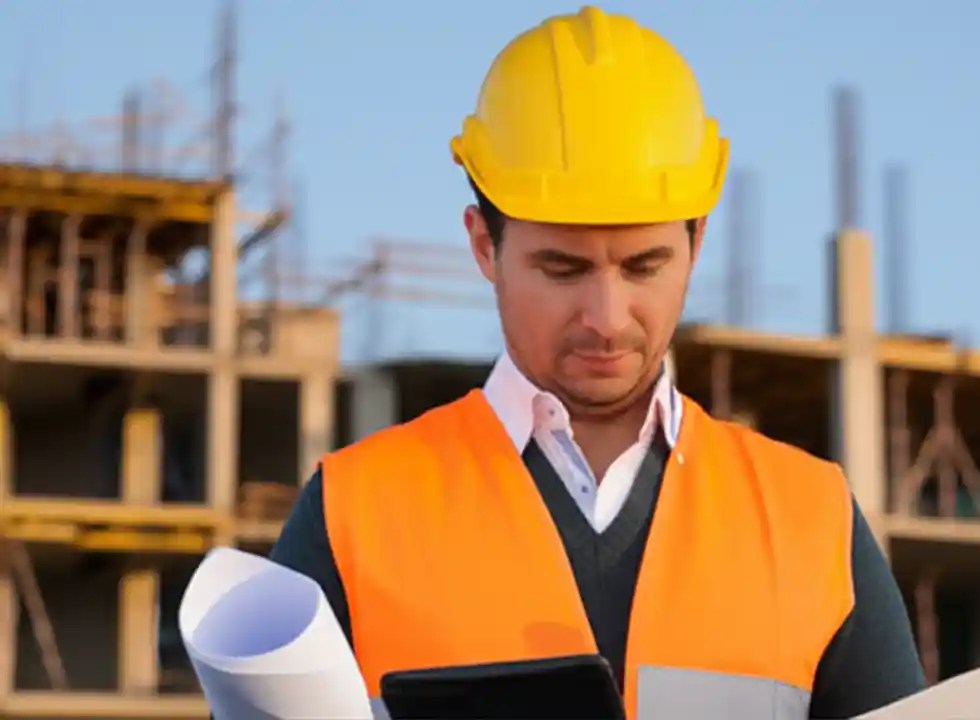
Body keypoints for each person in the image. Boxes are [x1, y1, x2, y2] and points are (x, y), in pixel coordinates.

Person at [270, 6, 924, 718]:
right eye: (562, 269)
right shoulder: (353, 513)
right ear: (484, 246)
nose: (608, 320)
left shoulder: (810, 521)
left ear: (697, 243)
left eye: (645, 266)